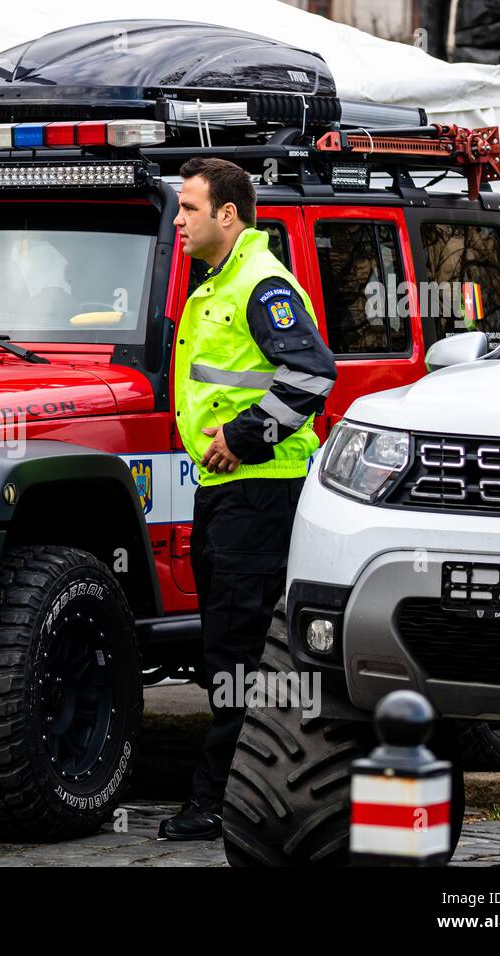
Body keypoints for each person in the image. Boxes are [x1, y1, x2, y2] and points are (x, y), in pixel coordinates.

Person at [159, 158, 337, 841]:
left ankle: (224, 799)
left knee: (238, 652)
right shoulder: (224, 282)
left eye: (189, 208)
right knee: (230, 648)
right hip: (230, 492)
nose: (179, 221)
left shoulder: (260, 285)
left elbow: (311, 374)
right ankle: (251, 789)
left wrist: (243, 436)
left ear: (226, 214)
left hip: (260, 492)